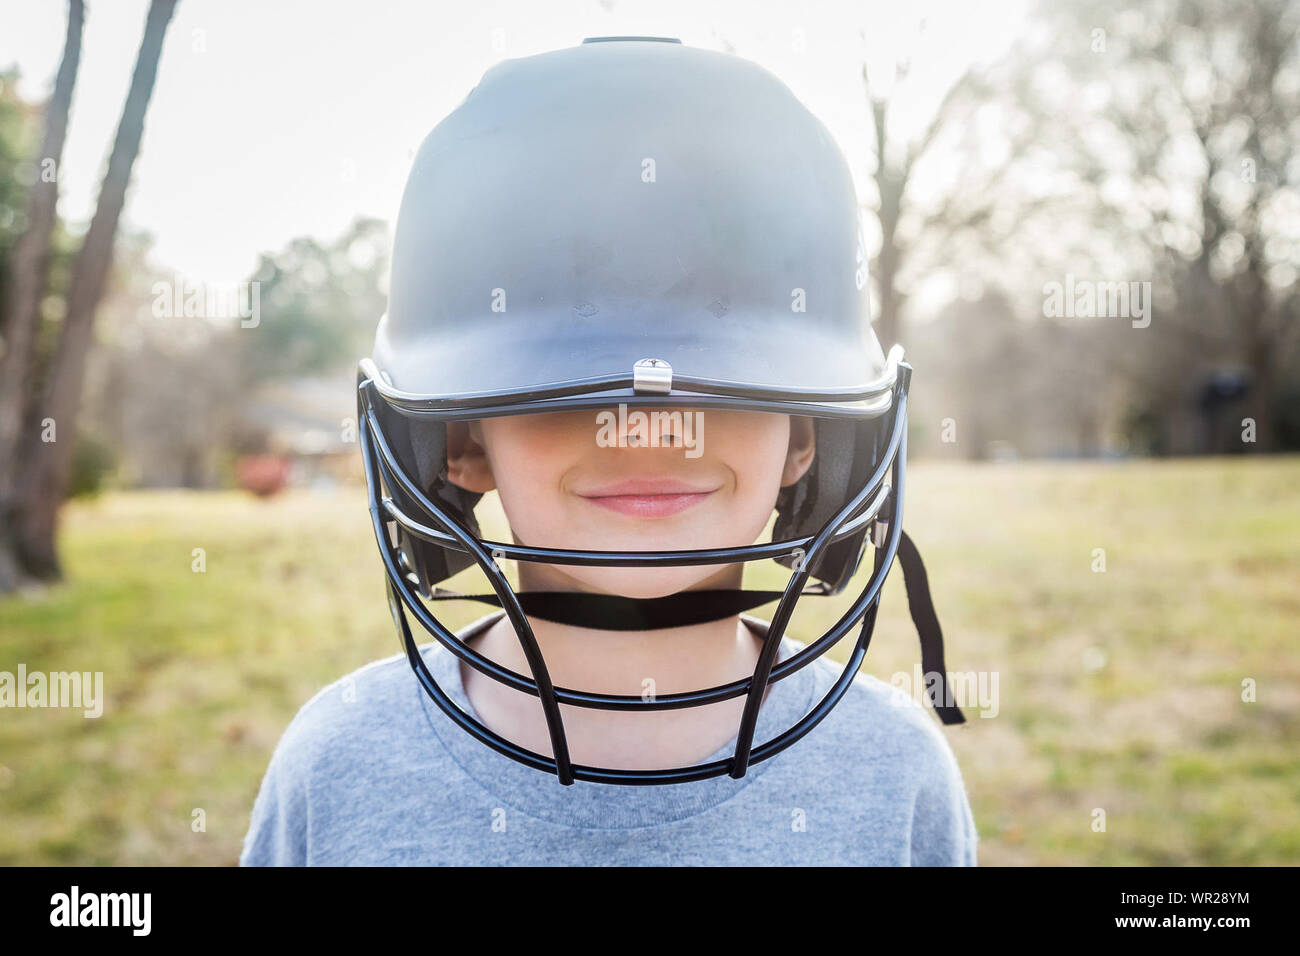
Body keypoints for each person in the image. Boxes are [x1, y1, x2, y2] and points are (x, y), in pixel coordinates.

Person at [241, 36, 977, 866]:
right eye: (565, 385)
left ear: (807, 438)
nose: (643, 429)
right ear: (460, 443)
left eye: (729, 383)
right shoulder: (341, 771)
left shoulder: (892, 778)